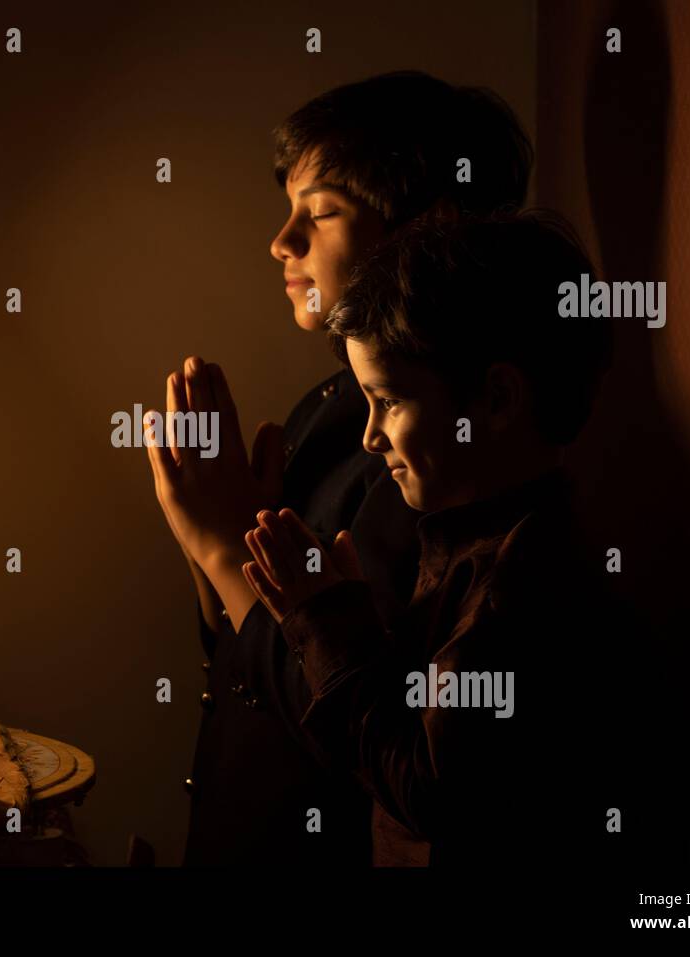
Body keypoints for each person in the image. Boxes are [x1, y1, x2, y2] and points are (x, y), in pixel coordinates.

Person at [145, 72, 534, 865]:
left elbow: (359, 715)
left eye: (319, 213)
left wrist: (224, 547)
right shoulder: (330, 408)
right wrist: (210, 542)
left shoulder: (430, 451)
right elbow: (242, 651)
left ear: (425, 230)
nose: (282, 240)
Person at [239, 212, 616, 865]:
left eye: (388, 400)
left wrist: (329, 625)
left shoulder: (517, 581)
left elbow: (426, 787)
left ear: (497, 398)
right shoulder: (466, 545)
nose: (369, 435)